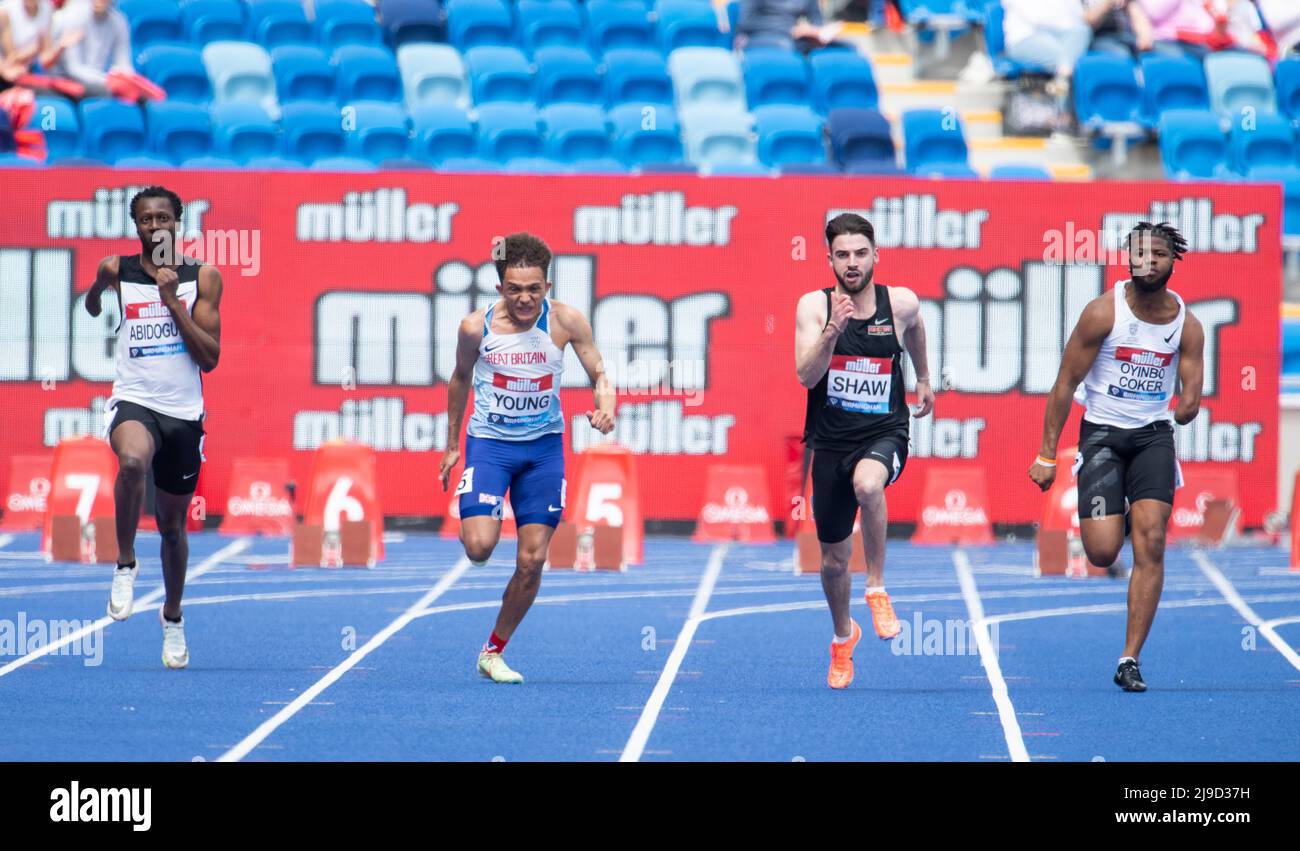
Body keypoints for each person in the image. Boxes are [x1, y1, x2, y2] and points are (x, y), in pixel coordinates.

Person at [1030, 222, 1204, 693]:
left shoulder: (1188, 325)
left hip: (1152, 437)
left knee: (1152, 541)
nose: (1149, 261)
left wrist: (1188, 406)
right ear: (1128, 259)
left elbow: (1189, 399)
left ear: (1174, 261)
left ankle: (1130, 658)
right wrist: (1047, 454)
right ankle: (1117, 514)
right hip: (1103, 435)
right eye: (1140, 253)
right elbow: (1065, 383)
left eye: (1159, 254)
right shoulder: (1102, 313)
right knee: (1103, 551)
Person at [438, 233, 616, 685]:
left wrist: (606, 403)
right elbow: (459, 380)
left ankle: (493, 651)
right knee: (479, 547)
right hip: (490, 447)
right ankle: (481, 517)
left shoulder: (565, 322)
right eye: (515, 289)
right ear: (500, 288)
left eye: (534, 288)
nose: (525, 298)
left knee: (532, 560)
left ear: (547, 286)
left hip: (542, 452)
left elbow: (599, 371)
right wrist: (452, 445)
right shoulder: (474, 328)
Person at [84, 185, 224, 670]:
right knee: (131, 461)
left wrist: (173, 303)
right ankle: (124, 562)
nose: (155, 226)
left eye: (164, 218)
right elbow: (92, 301)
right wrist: (99, 299)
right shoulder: (115, 270)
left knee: (171, 528)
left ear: (177, 222)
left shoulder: (202, 277)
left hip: (183, 415)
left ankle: (173, 617)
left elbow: (210, 358)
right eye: (146, 220)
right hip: (134, 400)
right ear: (136, 226)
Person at [794, 213, 934, 690]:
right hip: (830, 442)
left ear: (876, 255)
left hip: (884, 433)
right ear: (829, 259)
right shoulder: (814, 308)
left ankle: (877, 586)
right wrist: (832, 331)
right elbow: (806, 377)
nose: (851, 264)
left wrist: (923, 378)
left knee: (869, 483)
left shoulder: (901, 302)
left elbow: (914, 328)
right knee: (832, 562)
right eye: (842, 255)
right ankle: (841, 637)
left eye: (860, 253)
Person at [49, 0, 132, 98]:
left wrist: (128, 81)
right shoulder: (74, 17)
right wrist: (108, 81)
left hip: (97, 80)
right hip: (65, 79)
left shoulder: (119, 22)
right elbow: (73, 69)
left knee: (135, 96)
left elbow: (124, 64)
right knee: (105, 92)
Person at [734, 0, 844, 52]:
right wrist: (791, 30)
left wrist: (818, 34)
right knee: (786, 46)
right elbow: (746, 22)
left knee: (843, 48)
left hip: (797, 37)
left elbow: (817, 21)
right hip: (761, 35)